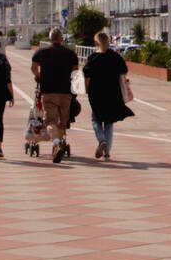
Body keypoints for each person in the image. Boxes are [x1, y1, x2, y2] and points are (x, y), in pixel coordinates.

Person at [83, 30, 134, 160]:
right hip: (113, 92)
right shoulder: (115, 56)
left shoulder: (93, 58)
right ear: (109, 41)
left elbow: (86, 76)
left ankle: (101, 140)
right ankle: (106, 152)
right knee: (109, 122)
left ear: (96, 42)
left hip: (97, 93)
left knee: (96, 119)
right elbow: (124, 71)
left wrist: (87, 90)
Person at [31, 27, 79, 163]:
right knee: (63, 122)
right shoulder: (70, 54)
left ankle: (56, 143)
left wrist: (40, 77)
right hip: (66, 92)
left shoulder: (41, 52)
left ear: (49, 39)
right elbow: (75, 72)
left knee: (50, 121)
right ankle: (61, 143)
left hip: (49, 91)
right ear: (61, 39)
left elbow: (33, 68)